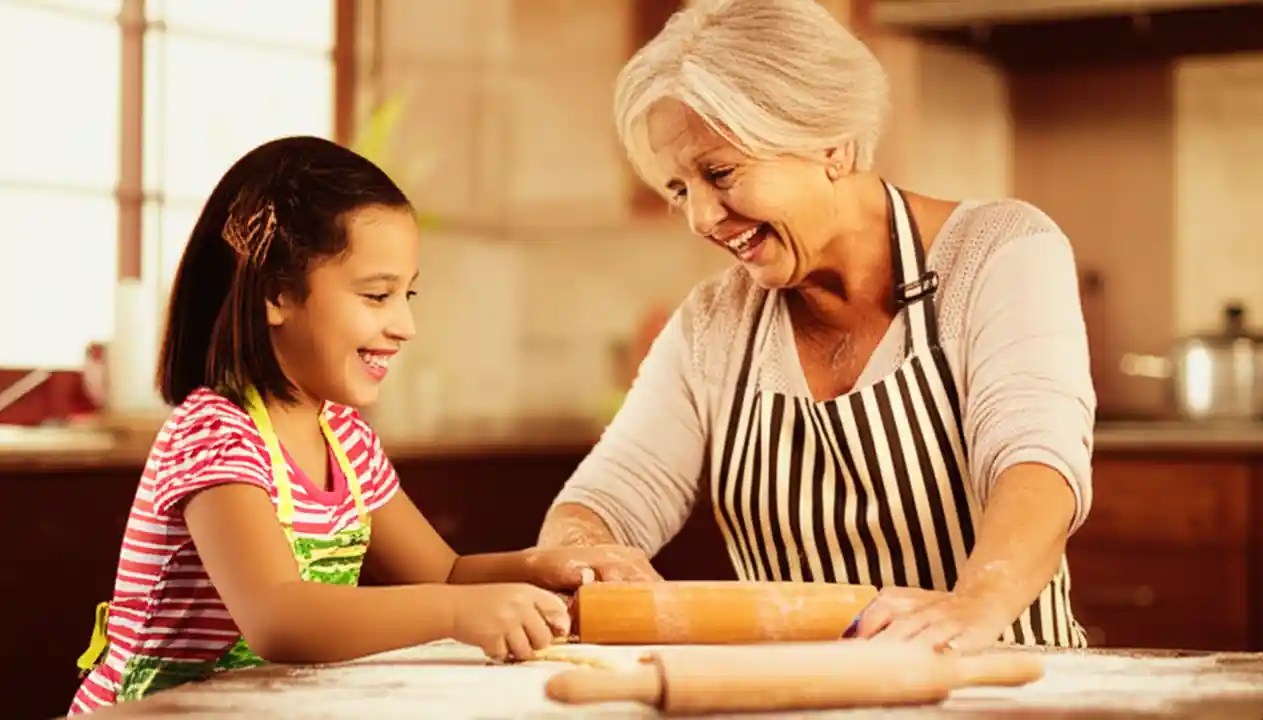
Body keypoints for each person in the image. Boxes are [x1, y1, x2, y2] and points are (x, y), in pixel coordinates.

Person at [537, 0, 1096, 652]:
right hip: (802, 698)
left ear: (829, 140)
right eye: (680, 190)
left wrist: (975, 604)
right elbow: (607, 494)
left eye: (719, 173)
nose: (701, 218)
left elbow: (1036, 464)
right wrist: (585, 555)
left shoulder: (1000, 252)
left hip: (1001, 687)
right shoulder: (714, 325)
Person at [70, 136, 643, 714]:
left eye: (407, 293)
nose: (405, 325)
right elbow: (278, 617)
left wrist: (539, 567)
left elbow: (444, 572)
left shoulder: (346, 439)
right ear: (277, 293)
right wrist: (456, 615)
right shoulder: (214, 433)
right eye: (377, 295)